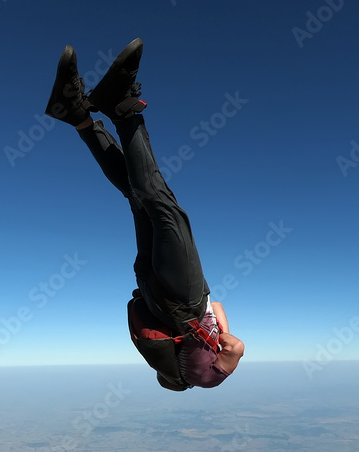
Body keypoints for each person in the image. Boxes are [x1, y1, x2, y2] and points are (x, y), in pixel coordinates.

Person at [45, 38, 244, 390]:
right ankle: (78, 117)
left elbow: (234, 345)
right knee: (138, 198)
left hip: (186, 300)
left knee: (166, 210)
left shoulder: (208, 377)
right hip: (151, 288)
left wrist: (220, 340)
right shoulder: (173, 352)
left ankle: (122, 110)